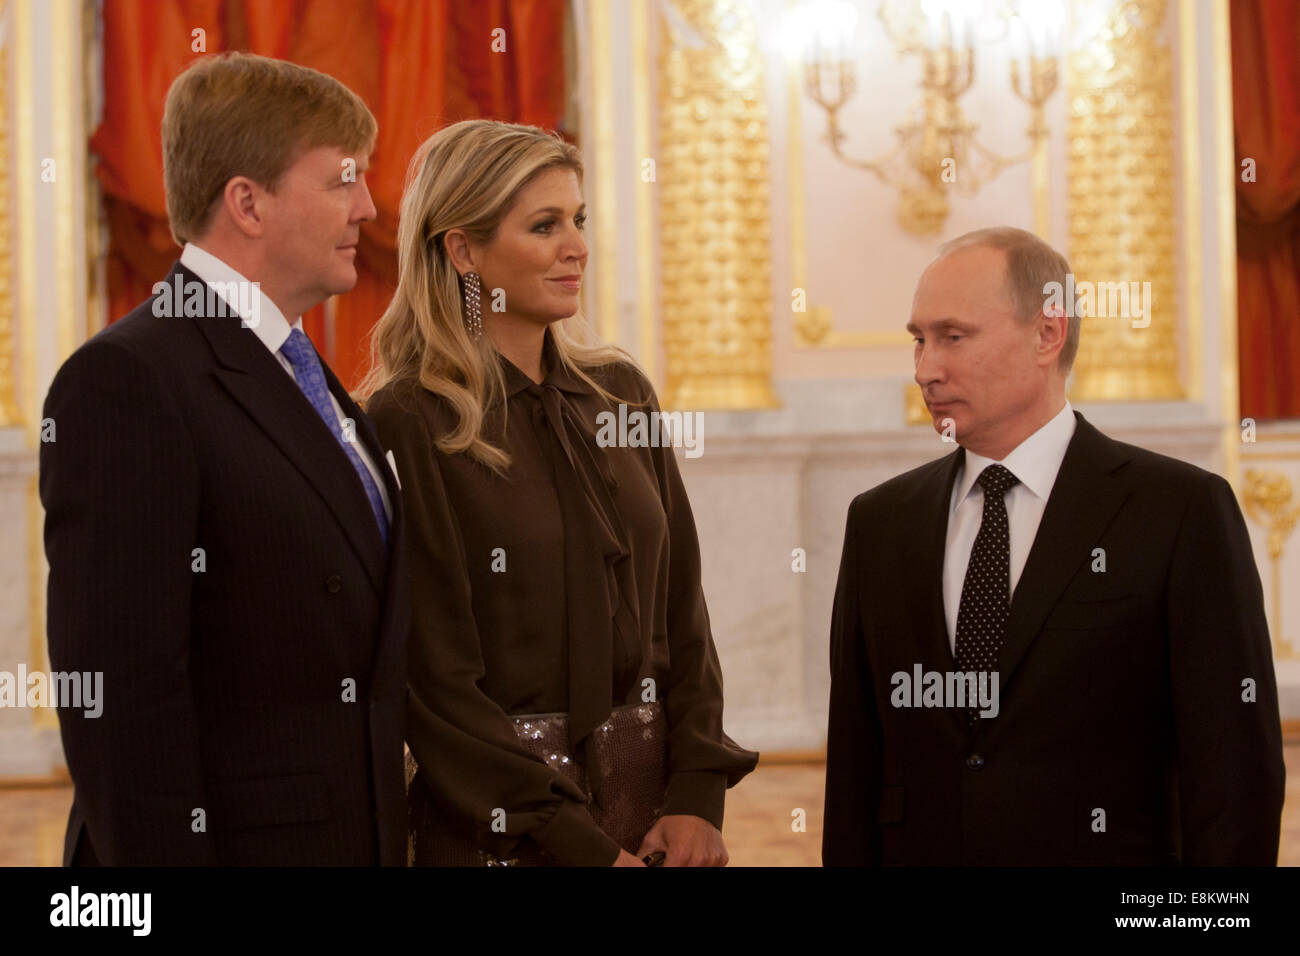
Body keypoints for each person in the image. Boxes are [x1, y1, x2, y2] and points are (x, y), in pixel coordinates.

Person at [41, 52, 409, 865]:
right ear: (247, 201)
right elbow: (118, 701)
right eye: (342, 180)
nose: (369, 207)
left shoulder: (300, 371)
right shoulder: (128, 379)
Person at [822, 226, 1286, 866]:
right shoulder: (879, 521)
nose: (927, 369)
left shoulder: (1179, 511)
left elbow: (1233, 766)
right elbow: (856, 759)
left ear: (1048, 333)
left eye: (953, 336)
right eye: (919, 341)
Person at [362, 119, 757, 867]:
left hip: (656, 825)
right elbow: (434, 678)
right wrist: (574, 845)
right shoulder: (411, 418)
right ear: (463, 250)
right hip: (501, 829)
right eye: (544, 225)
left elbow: (684, 611)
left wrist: (697, 797)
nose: (576, 244)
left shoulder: (622, 394)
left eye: (578, 219)